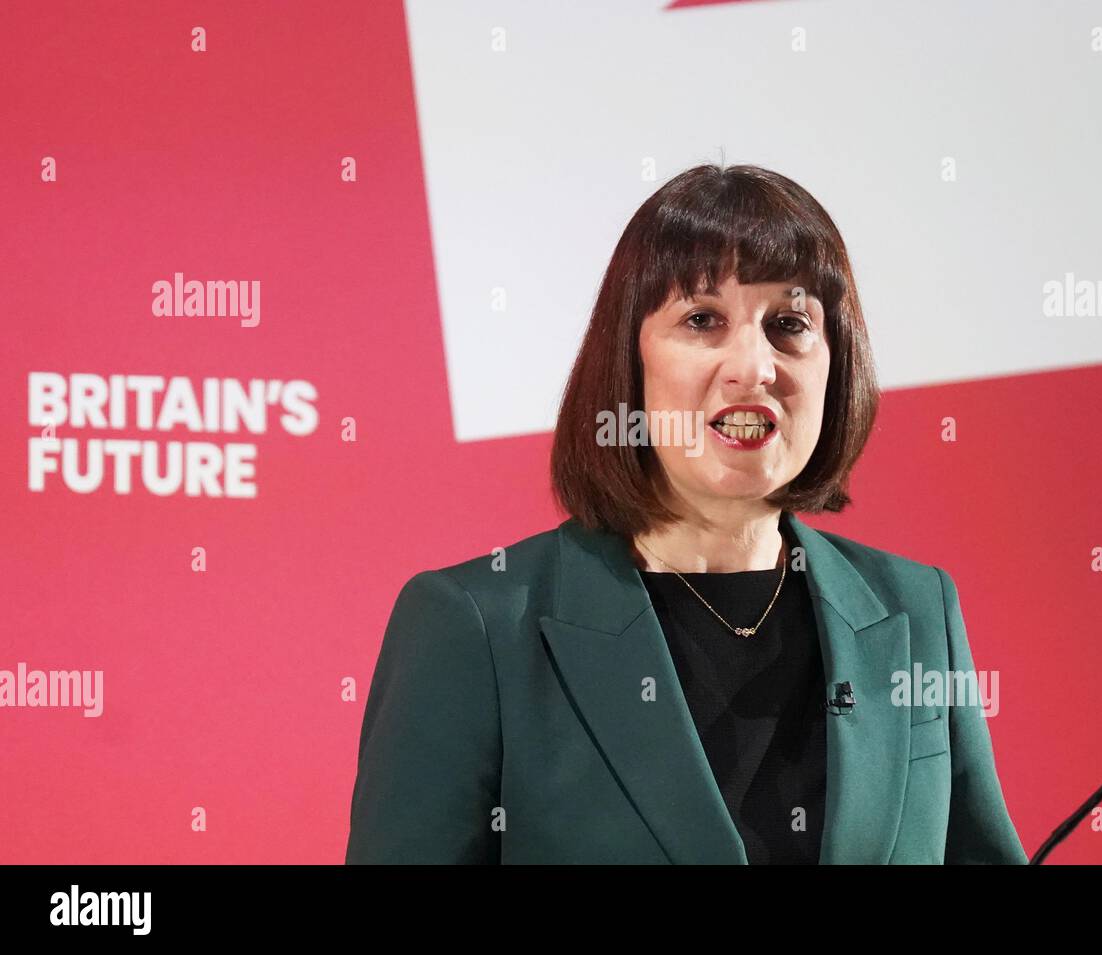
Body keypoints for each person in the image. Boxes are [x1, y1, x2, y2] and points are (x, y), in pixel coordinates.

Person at [345, 163, 1027, 864]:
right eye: (703, 320)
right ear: (629, 360)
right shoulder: (475, 626)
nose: (753, 367)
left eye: (790, 324)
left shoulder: (915, 611)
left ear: (837, 364)